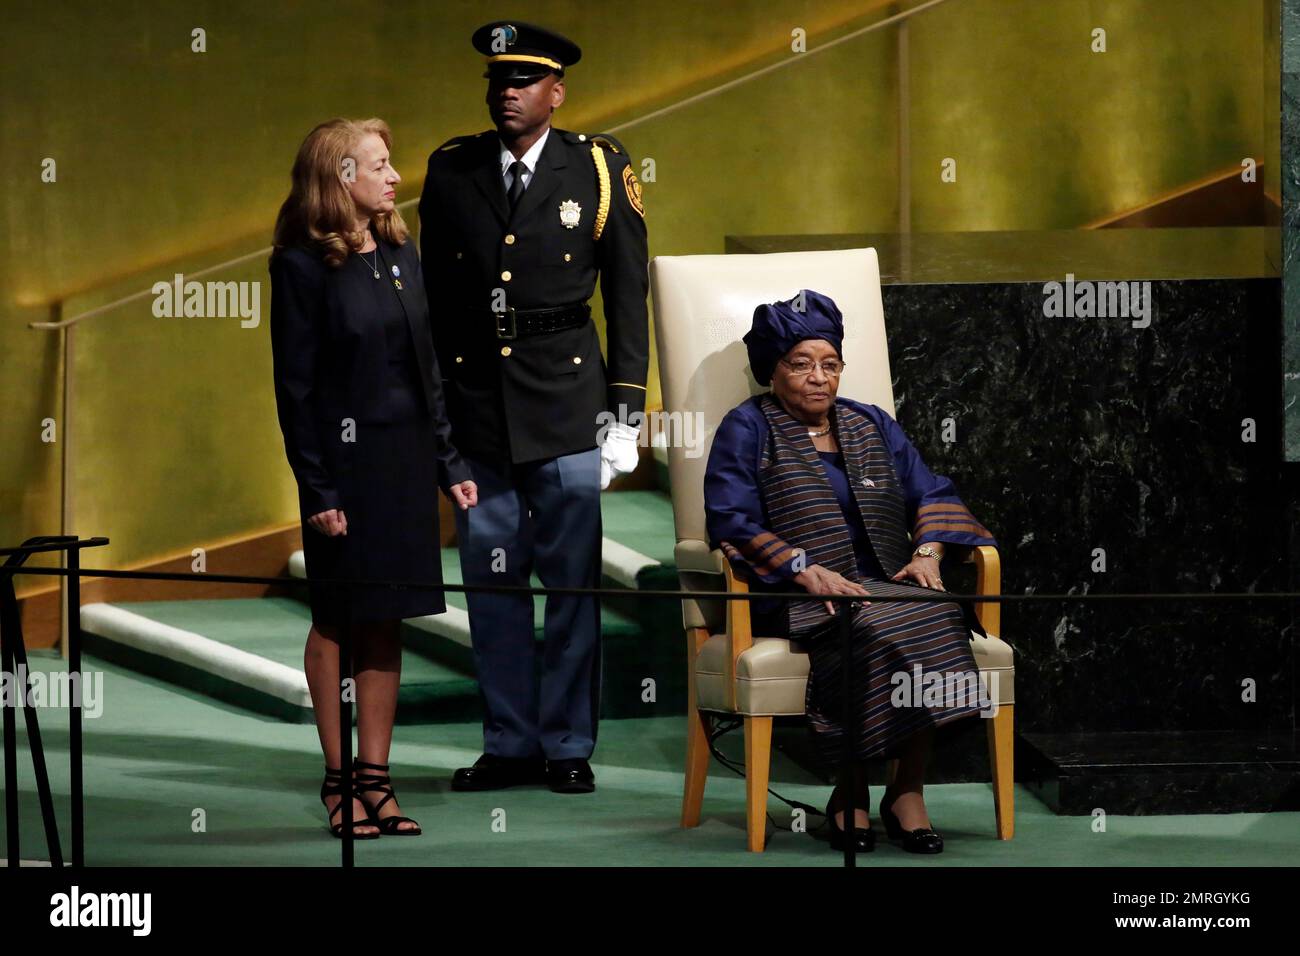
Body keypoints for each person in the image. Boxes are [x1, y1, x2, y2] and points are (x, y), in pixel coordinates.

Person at [418, 20, 649, 794]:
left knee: (573, 585)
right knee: (492, 582)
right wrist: (438, 418)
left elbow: (626, 293)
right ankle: (510, 743)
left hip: (567, 403)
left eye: (522, 82)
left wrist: (627, 410)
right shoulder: (453, 170)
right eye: (496, 82)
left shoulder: (600, 168)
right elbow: (439, 303)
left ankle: (569, 743)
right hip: (481, 406)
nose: (506, 94)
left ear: (557, 91)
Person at [703, 290, 997, 854]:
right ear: (774, 369)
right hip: (792, 590)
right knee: (865, 628)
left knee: (938, 612)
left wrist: (927, 553)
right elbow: (730, 516)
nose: (819, 377)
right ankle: (853, 792)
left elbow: (931, 490)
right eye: (801, 364)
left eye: (830, 364)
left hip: (887, 583)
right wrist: (802, 568)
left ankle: (906, 790)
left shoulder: (872, 423)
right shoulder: (747, 428)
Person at [270, 118, 478, 838]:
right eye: (381, 166)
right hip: (343, 469)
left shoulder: (398, 249)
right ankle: (337, 781)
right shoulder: (301, 265)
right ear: (343, 178)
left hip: (403, 461)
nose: (395, 178)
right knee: (338, 617)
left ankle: (376, 782)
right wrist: (317, 490)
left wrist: (448, 462)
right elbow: (294, 391)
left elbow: (427, 367)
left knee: (387, 617)